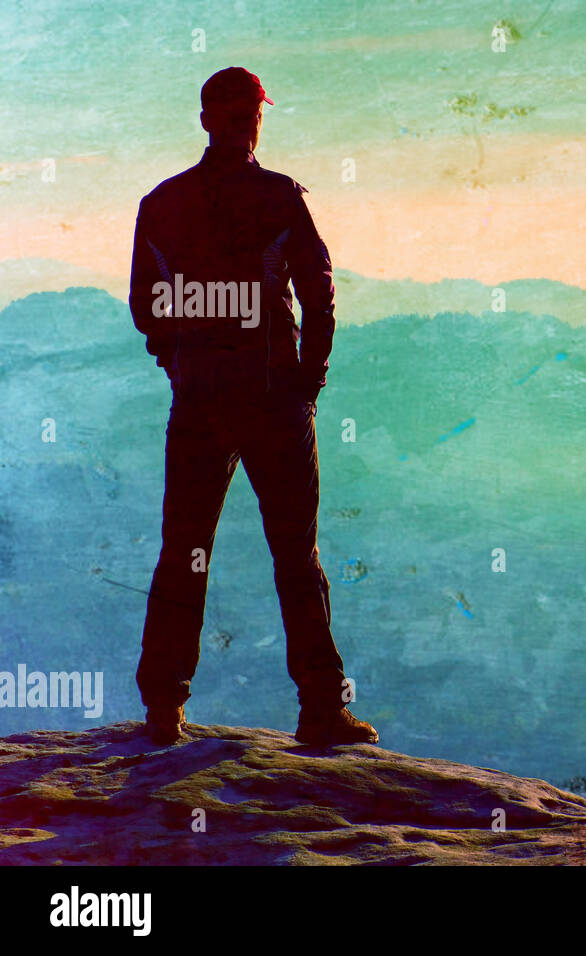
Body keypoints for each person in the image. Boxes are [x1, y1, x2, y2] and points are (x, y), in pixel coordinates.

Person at [128, 67, 377, 747]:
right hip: (273, 400)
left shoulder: (163, 202)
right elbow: (322, 294)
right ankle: (322, 711)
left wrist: (178, 360)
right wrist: (308, 383)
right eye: (244, 113)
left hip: (202, 400)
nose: (248, 122)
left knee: (186, 550)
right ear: (222, 118)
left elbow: (146, 305)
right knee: (296, 555)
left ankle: (163, 708)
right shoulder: (278, 197)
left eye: (248, 113)